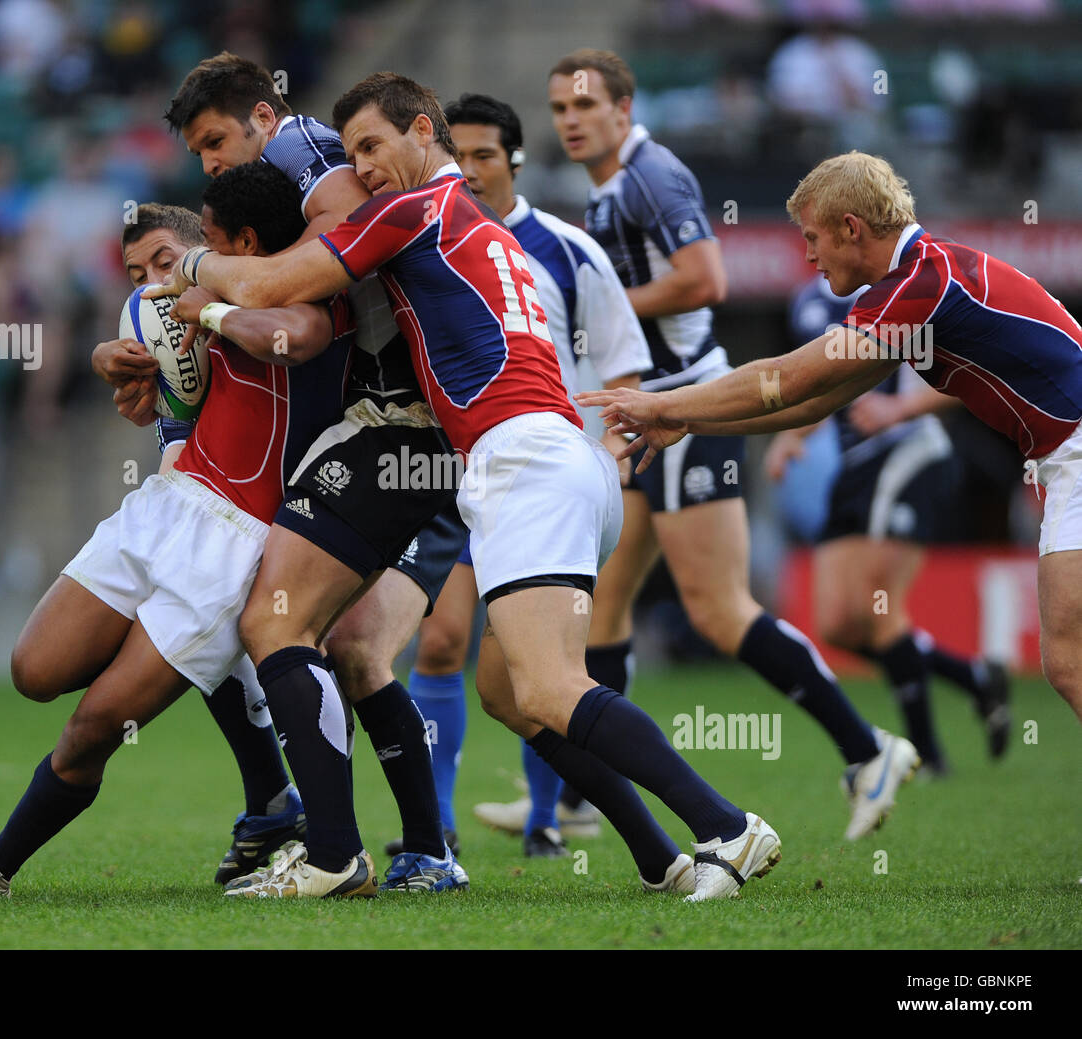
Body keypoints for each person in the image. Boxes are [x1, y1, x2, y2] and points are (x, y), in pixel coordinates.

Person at [151, 72, 781, 902]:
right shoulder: (482, 224)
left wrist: (185, 267)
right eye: (352, 153)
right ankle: (660, 856)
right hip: (556, 460)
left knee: (552, 685)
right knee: (514, 694)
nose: (363, 168)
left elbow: (272, 286)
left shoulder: (414, 210)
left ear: (423, 131)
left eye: (374, 146)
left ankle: (728, 826)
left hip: (523, 460)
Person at [0, 172, 353, 901]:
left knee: (93, 726)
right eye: (137, 272)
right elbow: (157, 401)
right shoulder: (164, 324)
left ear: (212, 248)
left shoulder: (281, 293)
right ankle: (272, 797)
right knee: (34, 669)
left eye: (167, 260)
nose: (154, 282)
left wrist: (206, 305)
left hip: (234, 541)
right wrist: (111, 360)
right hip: (162, 507)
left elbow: (289, 339)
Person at [110, 53, 470, 893]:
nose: (210, 162)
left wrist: (209, 282)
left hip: (412, 434)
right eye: (197, 150)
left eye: (216, 141)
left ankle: (331, 845)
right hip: (396, 436)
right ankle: (412, 845)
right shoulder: (276, 193)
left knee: (285, 621)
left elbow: (305, 278)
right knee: (344, 644)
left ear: (265, 120)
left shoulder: (313, 162)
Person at [577, 149, 1082, 734]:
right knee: (1068, 660)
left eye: (813, 237)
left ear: (852, 228)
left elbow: (789, 379)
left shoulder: (919, 285)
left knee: (1067, 662)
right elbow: (815, 401)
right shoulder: (920, 277)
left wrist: (662, 403)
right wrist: (690, 423)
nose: (809, 254)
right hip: (1065, 454)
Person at [549, 49, 918, 840]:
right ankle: (585, 799)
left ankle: (867, 748)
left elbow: (706, 278)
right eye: (559, 109)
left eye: (585, 105)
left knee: (719, 610)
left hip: (689, 411)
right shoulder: (611, 189)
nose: (571, 120)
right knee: (605, 604)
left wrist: (597, 308)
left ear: (624, 106)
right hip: (649, 414)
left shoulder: (654, 175)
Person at [406, 93, 651, 858]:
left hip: (545, 481)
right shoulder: (426, 240)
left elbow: (627, 373)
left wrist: (609, 457)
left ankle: (546, 819)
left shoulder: (570, 250)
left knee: (535, 667)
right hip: (459, 473)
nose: (472, 169)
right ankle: (437, 822)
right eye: (462, 155)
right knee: (442, 640)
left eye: (486, 155)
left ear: (514, 160)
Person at [766, 276, 1011, 771]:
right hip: (854, 467)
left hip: (908, 453)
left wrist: (901, 407)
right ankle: (973, 679)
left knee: (879, 611)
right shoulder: (808, 302)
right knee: (837, 623)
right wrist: (793, 436)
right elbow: (824, 385)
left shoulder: (904, 290)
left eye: (819, 234)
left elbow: (975, 373)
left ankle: (927, 757)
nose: (812, 249)